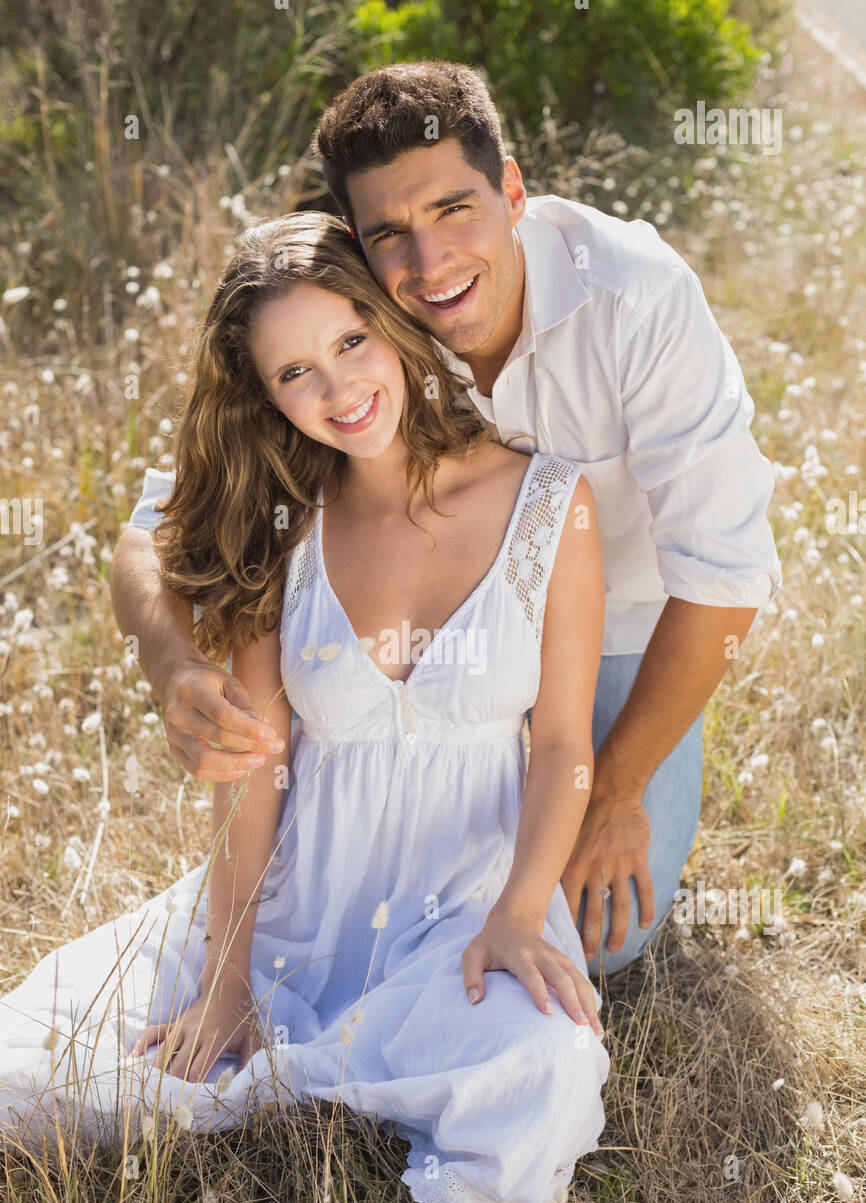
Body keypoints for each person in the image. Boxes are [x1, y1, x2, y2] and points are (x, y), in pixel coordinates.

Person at [0, 211, 609, 1203]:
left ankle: (341, 1078)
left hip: (470, 893)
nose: (335, 389)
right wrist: (229, 974)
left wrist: (519, 909)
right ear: (266, 395)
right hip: (301, 893)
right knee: (29, 1072)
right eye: (292, 374)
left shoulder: (547, 502)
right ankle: (312, 1071)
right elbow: (256, 768)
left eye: (348, 342)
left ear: (393, 324)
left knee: (539, 1076)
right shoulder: (285, 518)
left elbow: (560, 747)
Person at [113, 61, 783, 982]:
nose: (430, 266)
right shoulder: (359, 316)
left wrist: (618, 787)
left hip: (620, 628)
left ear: (512, 190)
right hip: (399, 618)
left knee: (597, 938)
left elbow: (727, 573)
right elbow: (152, 527)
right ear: (356, 240)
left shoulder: (637, 297)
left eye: (455, 210)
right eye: (390, 232)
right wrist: (175, 664)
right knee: (358, 923)